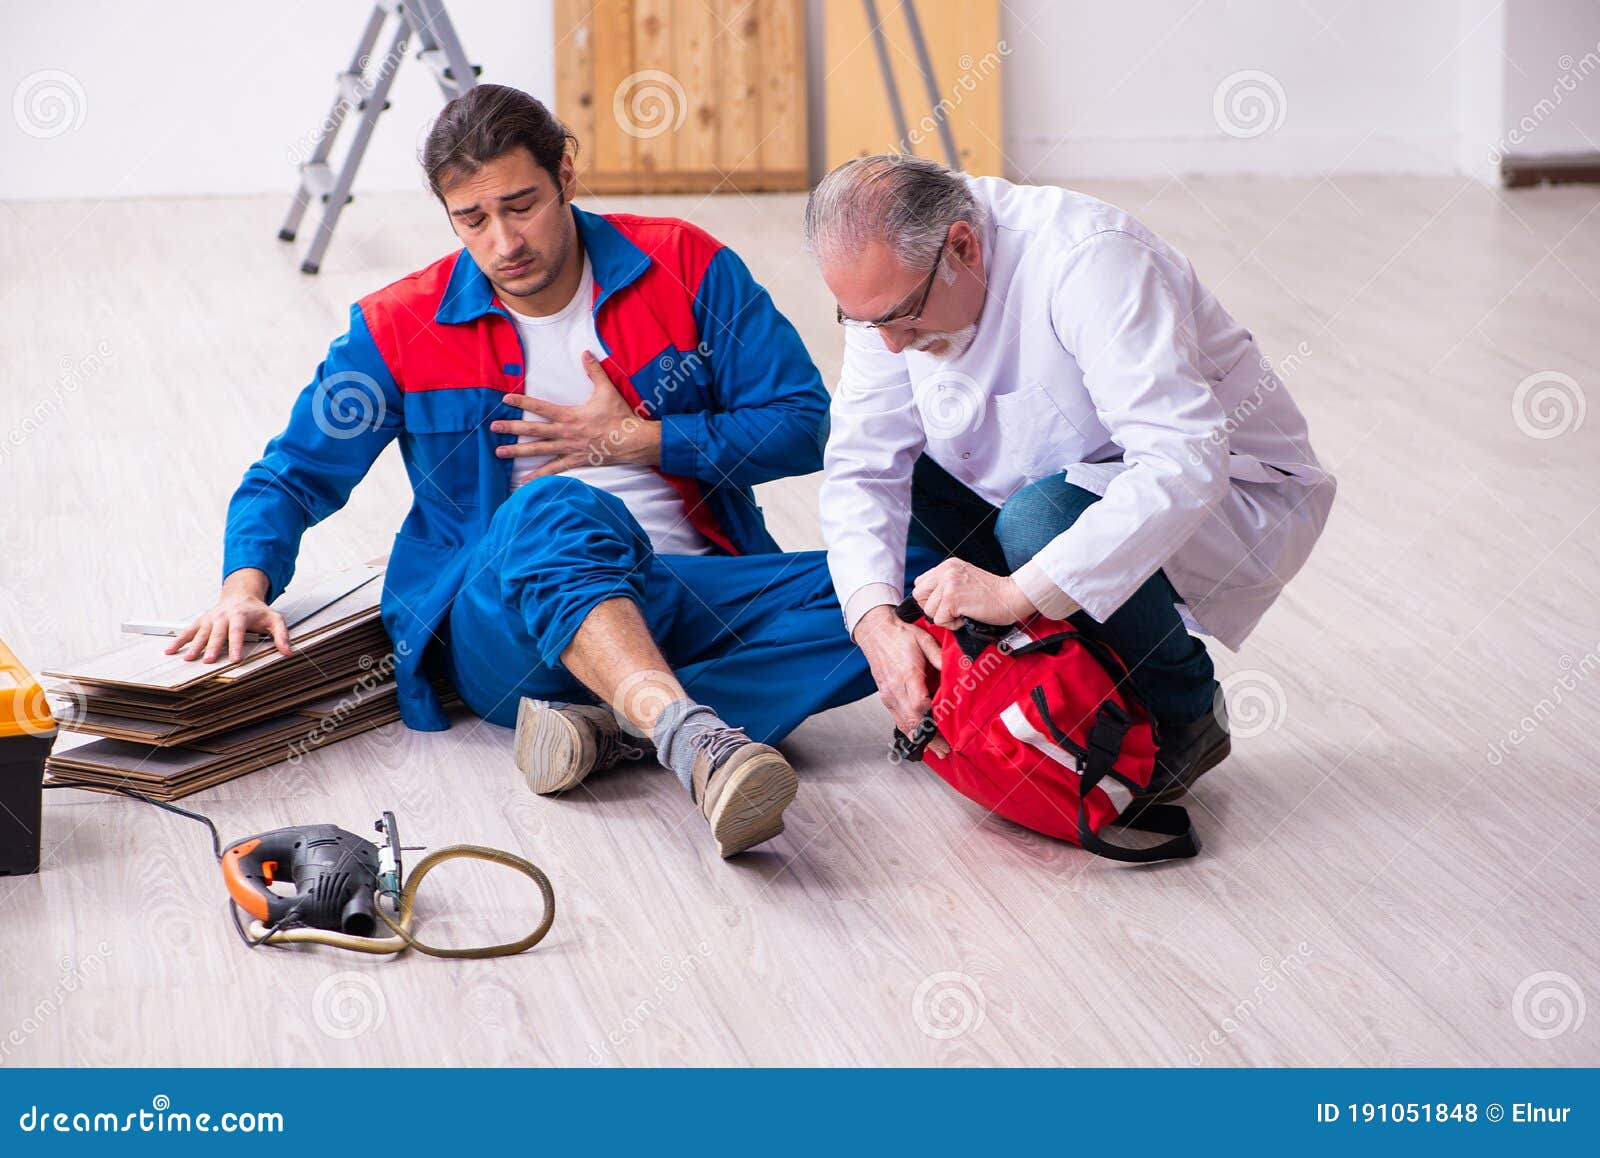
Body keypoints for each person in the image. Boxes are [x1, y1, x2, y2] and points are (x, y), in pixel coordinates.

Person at [168, 85, 877, 858]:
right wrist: (245, 585)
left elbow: (804, 426)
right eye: (472, 219)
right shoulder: (399, 324)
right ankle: (693, 737)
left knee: (911, 578)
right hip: (504, 626)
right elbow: (293, 472)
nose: (504, 240)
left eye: (522, 204)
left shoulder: (685, 263)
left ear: (567, 175)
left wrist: (642, 440)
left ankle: (614, 727)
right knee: (559, 508)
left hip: (689, 588)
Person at [806, 154, 1337, 802]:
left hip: (1226, 490)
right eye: (866, 322)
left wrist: (1013, 593)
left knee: (1038, 522)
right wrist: (876, 626)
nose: (889, 344)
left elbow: (1184, 461)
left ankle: (1185, 711)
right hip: (1049, 485)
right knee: (917, 486)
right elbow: (863, 465)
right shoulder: (892, 292)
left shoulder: (1088, 259)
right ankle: (1043, 678)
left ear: (963, 247)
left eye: (903, 317)